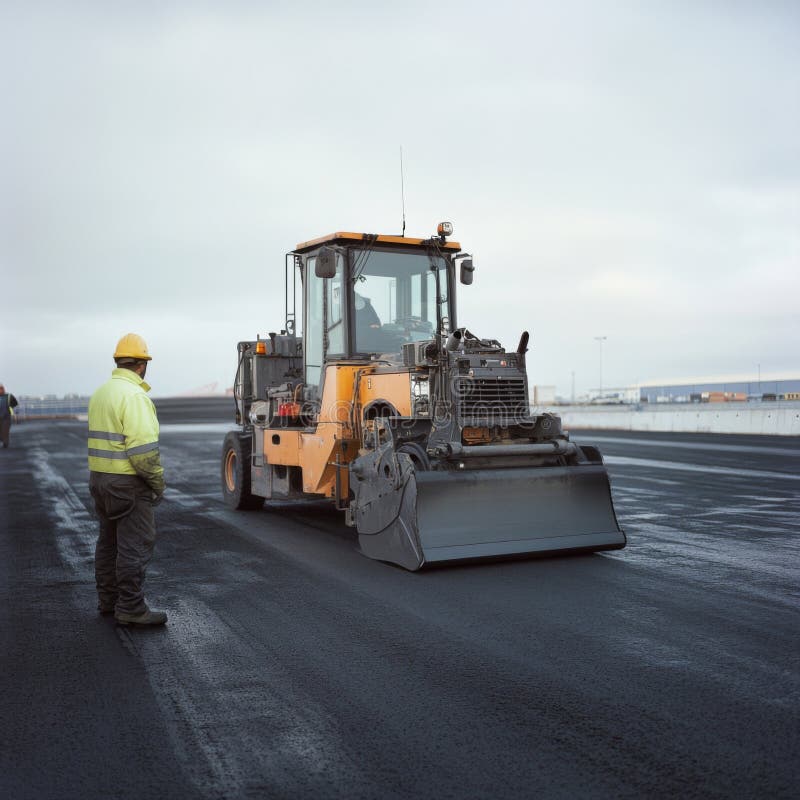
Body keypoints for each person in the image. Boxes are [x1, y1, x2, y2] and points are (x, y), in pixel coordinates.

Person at [87, 334, 167, 626]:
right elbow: (144, 454)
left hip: (100, 480)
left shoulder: (101, 393)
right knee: (134, 545)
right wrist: (157, 484)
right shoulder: (134, 396)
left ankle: (108, 600)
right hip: (128, 484)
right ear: (142, 365)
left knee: (108, 543)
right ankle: (131, 609)